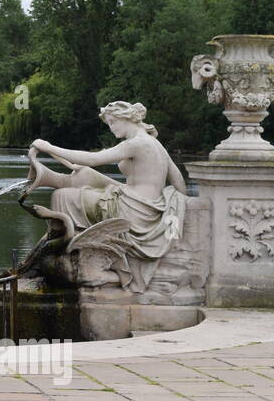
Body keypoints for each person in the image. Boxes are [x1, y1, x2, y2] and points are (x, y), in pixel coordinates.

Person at [23, 101, 187, 292]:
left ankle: (71, 251)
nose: (111, 128)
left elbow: (93, 159)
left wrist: (48, 147)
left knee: (63, 196)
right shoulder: (155, 144)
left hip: (133, 211)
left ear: (125, 118)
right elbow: (180, 184)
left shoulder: (135, 144)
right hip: (145, 207)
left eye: (112, 123)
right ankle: (72, 250)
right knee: (84, 176)